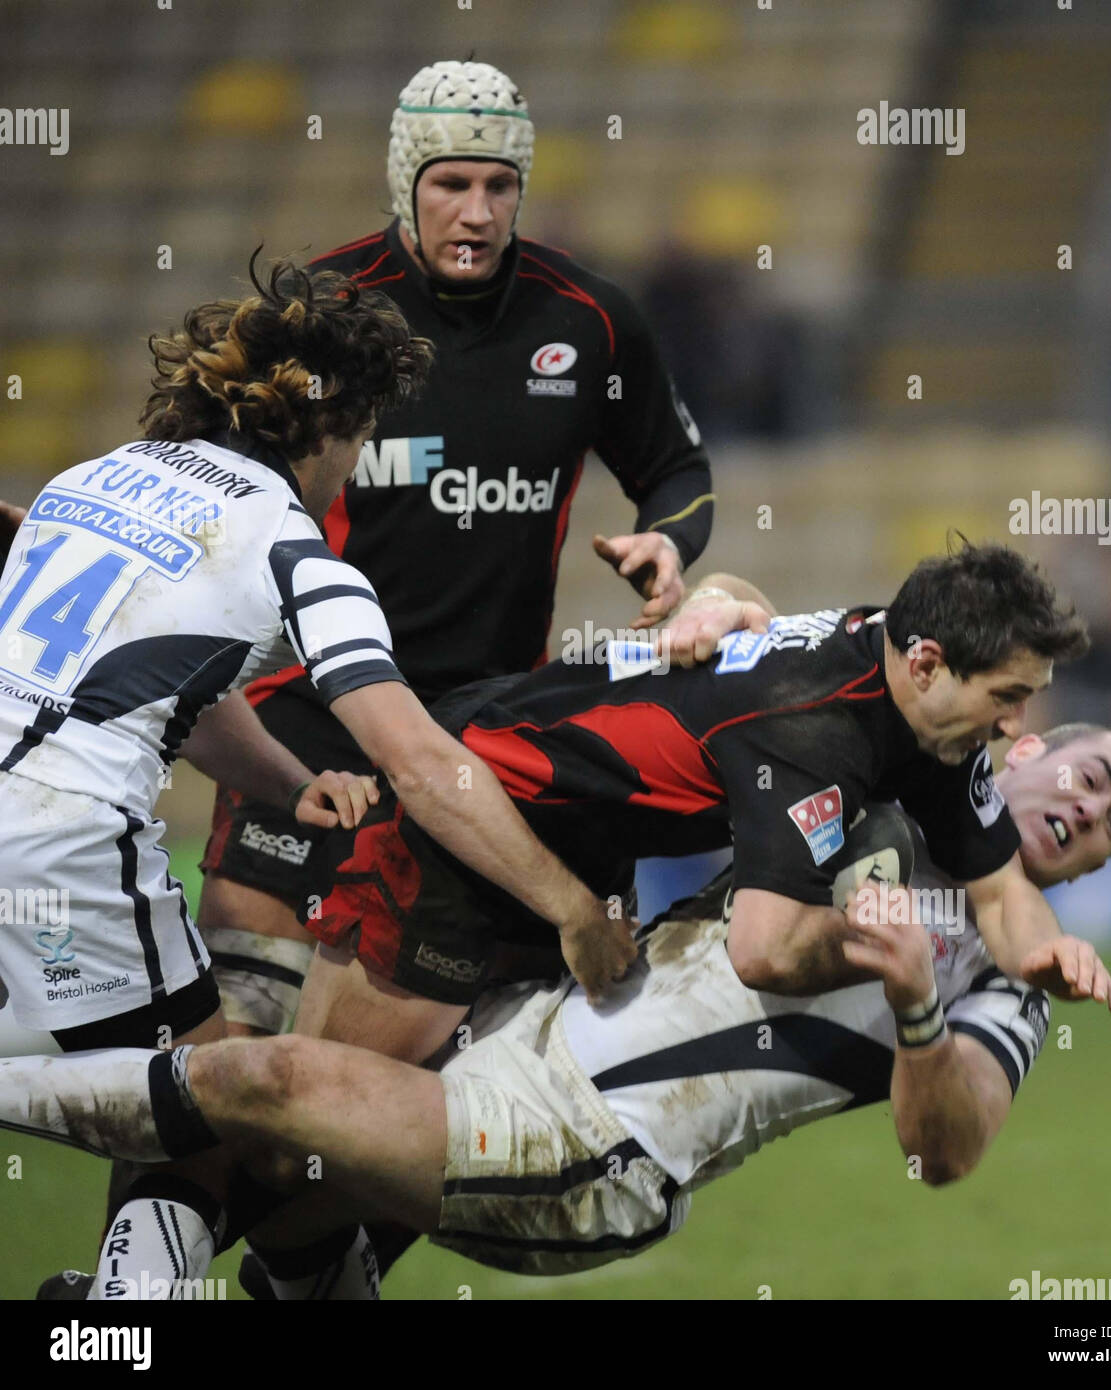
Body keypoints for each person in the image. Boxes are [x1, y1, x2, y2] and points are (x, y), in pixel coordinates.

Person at [0, 256, 642, 1300]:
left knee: (210, 1111)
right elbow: (423, 761)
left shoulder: (90, 479)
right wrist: (571, 907)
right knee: (217, 1122)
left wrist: (290, 778)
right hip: (67, 852)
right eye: (362, 436)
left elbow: (156, 683)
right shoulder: (296, 549)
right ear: (330, 430)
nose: (355, 463)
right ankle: (118, 1321)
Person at [0, 718, 1111, 1290]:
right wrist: (715, 597)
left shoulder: (1012, 977)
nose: (1091, 817)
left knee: (270, 1084)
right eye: (1092, 781)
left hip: (595, 1147)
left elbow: (945, 1150)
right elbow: (768, 691)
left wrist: (915, 1007)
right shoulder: (882, 780)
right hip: (528, 1025)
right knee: (278, 1171)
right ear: (1025, 745)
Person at [197, 58, 716, 1040]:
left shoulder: (592, 322)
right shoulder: (326, 311)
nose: (475, 212)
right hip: (313, 709)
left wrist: (667, 538)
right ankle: (179, 1200)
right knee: (241, 1025)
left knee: (437, 1046)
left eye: (498, 186)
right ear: (407, 185)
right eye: (450, 184)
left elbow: (681, 470)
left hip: (483, 727)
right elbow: (230, 483)